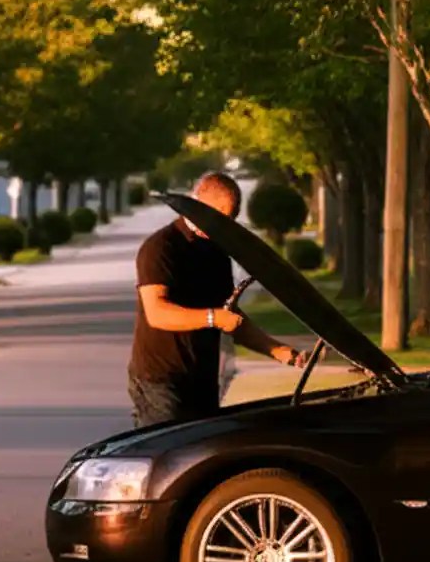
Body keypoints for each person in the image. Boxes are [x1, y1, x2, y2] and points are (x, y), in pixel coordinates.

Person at [128, 172, 306, 428]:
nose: (224, 226)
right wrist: (213, 317)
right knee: (169, 459)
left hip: (203, 381)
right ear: (197, 204)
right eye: (219, 217)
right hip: (160, 382)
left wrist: (278, 351)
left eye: (231, 219)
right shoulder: (160, 247)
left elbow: (230, 316)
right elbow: (158, 312)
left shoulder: (217, 251)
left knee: (203, 458)